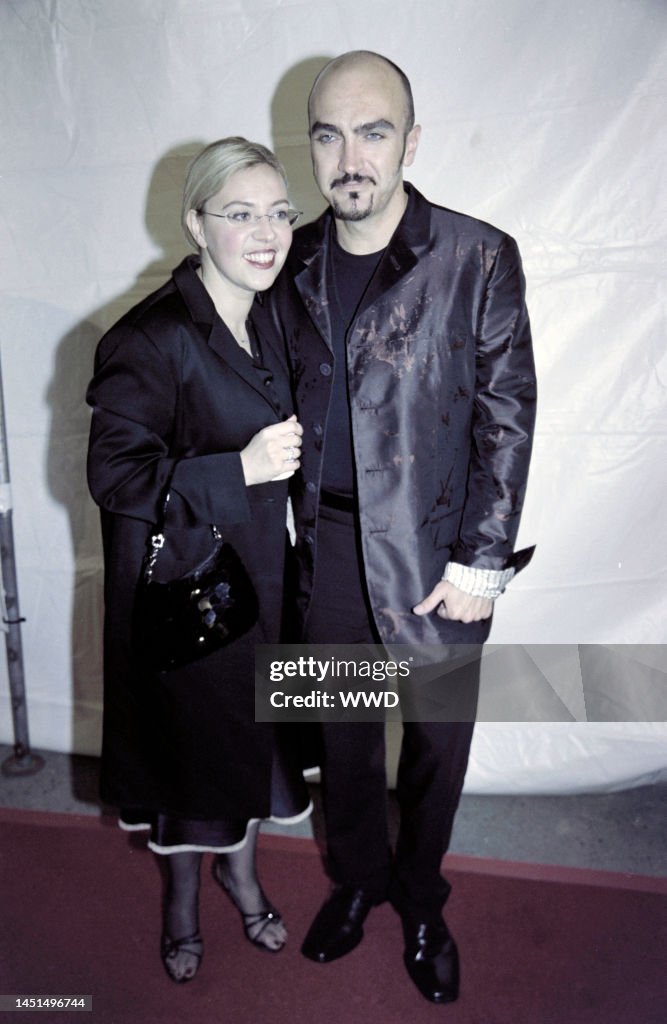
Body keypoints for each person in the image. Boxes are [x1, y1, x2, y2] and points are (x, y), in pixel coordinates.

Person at [277, 52, 537, 1004]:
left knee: (433, 748)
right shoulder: (289, 260)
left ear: (410, 142)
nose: (351, 155)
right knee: (342, 744)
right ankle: (356, 886)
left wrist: (482, 561)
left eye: (374, 131)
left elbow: (508, 412)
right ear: (311, 147)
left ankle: (422, 901)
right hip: (330, 558)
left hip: (440, 562)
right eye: (329, 134)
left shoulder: (476, 256)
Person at [86, 137, 309, 984]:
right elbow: (112, 474)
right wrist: (237, 470)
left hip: (267, 585)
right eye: (240, 214)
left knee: (249, 744)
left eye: (279, 213)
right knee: (193, 754)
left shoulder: (271, 312)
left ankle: (241, 870)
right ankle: (183, 900)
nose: (266, 233)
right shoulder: (150, 338)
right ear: (195, 223)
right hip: (192, 601)